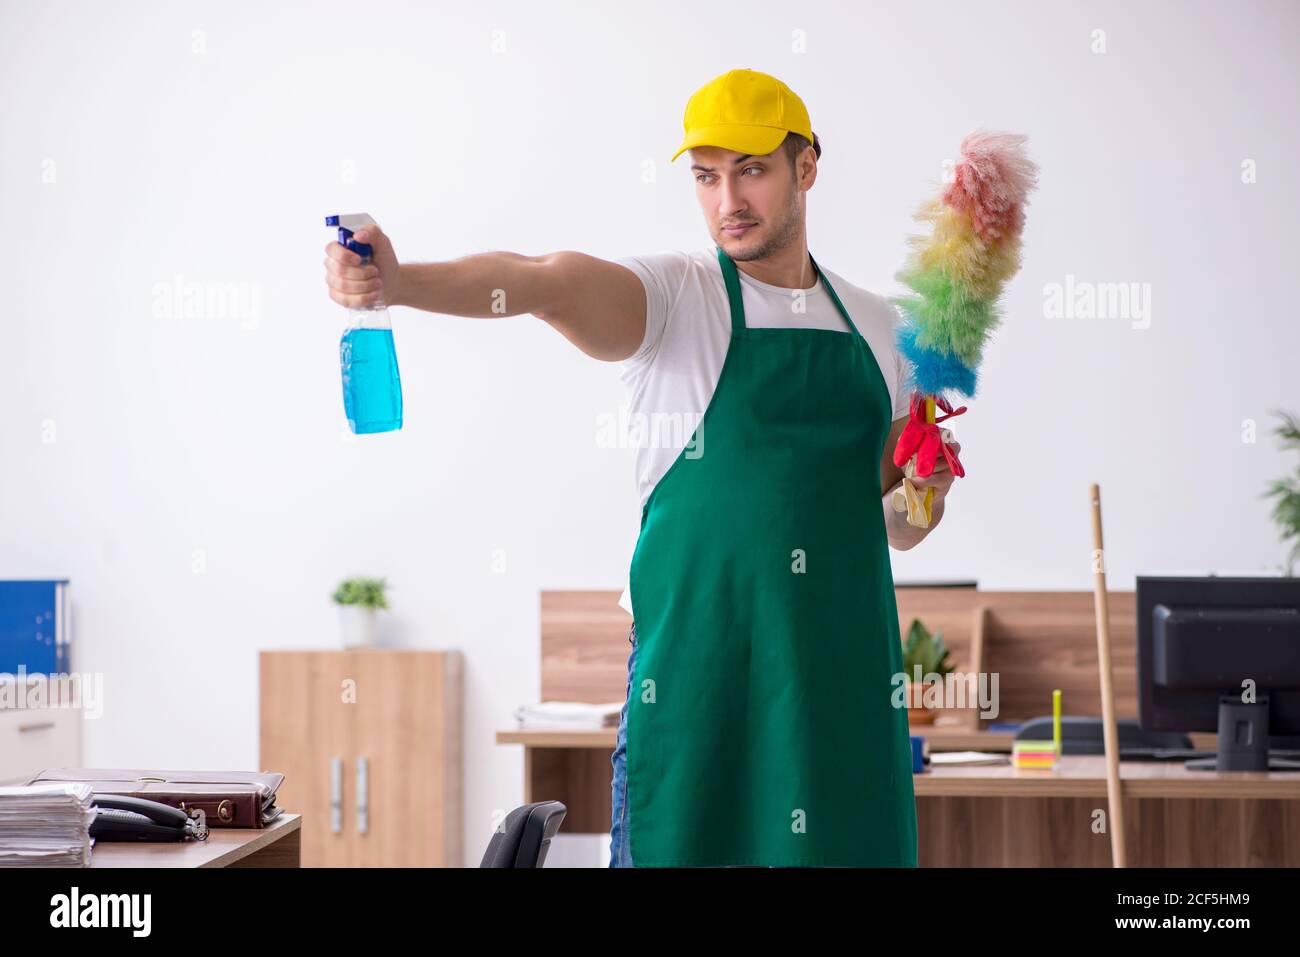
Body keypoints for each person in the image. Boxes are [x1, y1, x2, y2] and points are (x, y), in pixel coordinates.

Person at [323, 68, 958, 868]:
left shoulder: (880, 327)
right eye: (706, 175)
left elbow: (895, 526)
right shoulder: (678, 297)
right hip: (696, 678)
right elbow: (536, 281)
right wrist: (401, 280)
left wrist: (926, 494)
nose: (728, 199)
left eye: (752, 170)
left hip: (839, 684)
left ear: (807, 167)